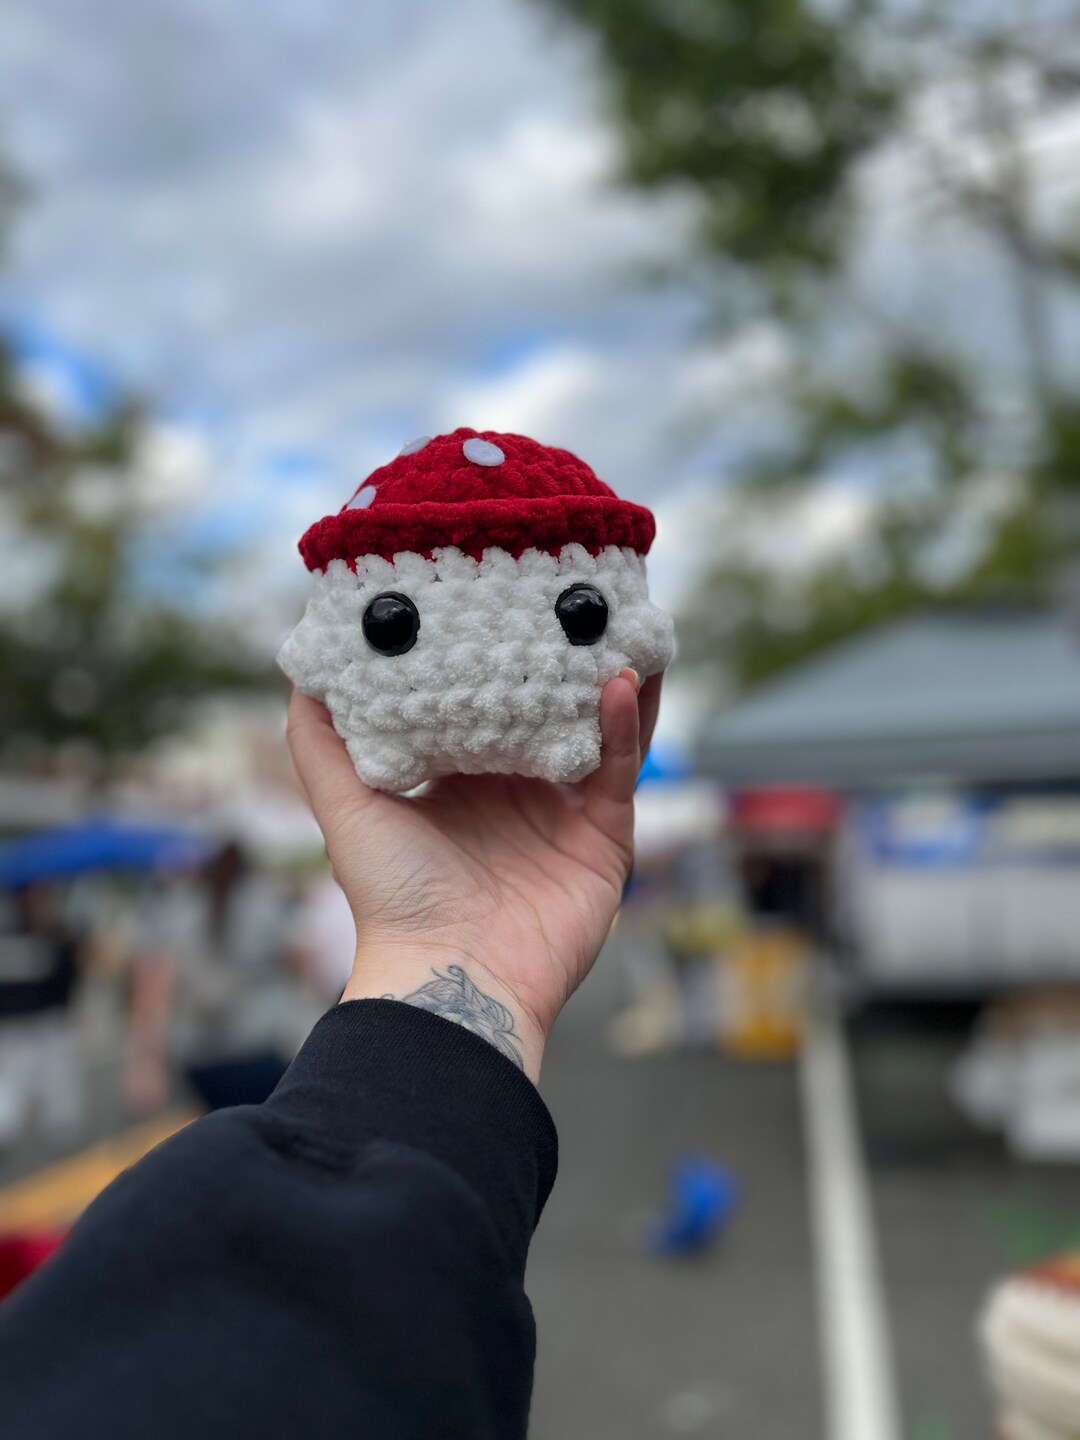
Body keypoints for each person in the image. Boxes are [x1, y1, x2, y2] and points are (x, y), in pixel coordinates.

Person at [0, 667, 661, 1440]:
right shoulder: (256, 905)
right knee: (271, 1141)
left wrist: (148, 1054)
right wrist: (450, 959)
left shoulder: (177, 910)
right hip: (257, 1045)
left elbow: (156, 981)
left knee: (250, 1141)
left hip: (199, 1050)